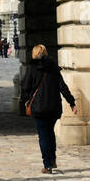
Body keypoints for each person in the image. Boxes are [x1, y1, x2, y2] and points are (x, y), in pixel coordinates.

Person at [20, 44, 76, 173]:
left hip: (39, 108)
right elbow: (63, 86)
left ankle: (48, 164)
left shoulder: (32, 68)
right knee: (50, 133)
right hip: (54, 106)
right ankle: (53, 159)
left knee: (43, 135)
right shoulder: (53, 68)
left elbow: (25, 86)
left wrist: (28, 97)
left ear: (34, 54)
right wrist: (71, 102)